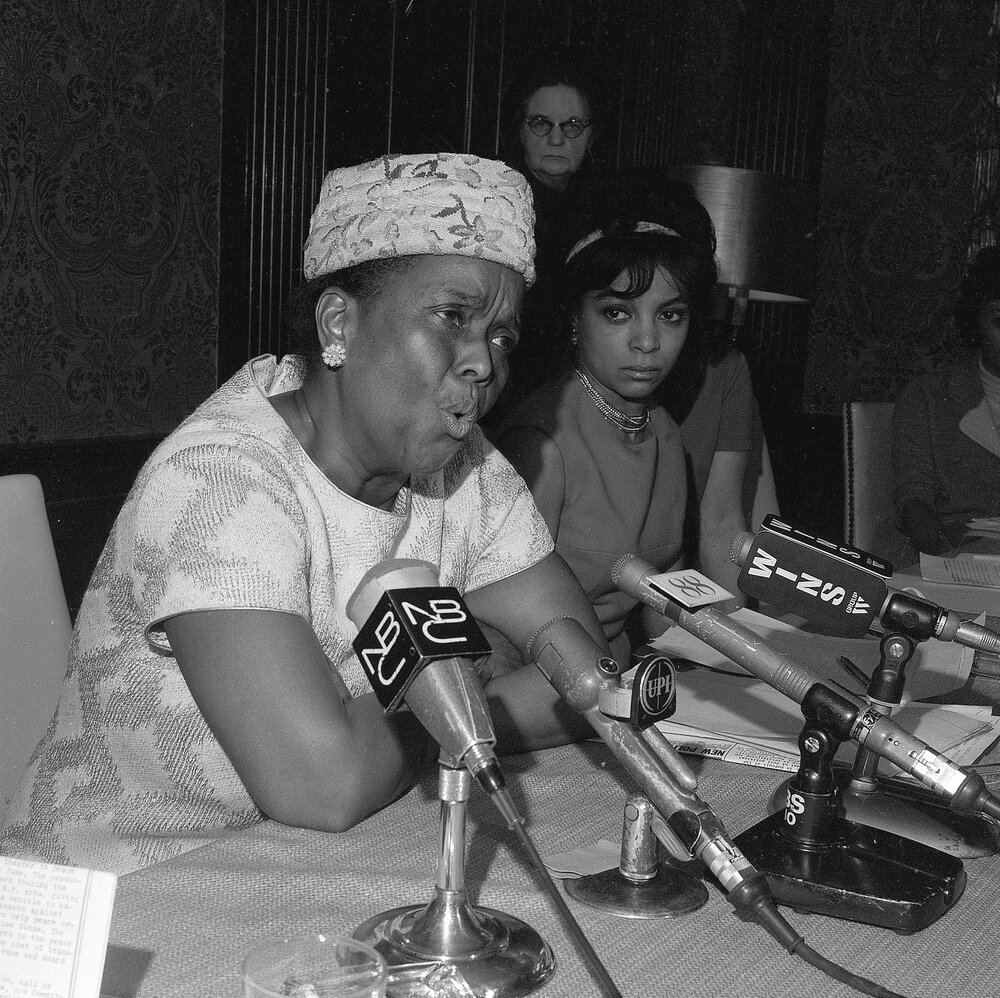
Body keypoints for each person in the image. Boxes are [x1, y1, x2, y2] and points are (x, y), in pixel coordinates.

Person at [0, 153, 609, 875]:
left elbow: (585, 673)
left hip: (285, 869)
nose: (484, 362)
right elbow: (324, 784)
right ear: (338, 324)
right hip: (118, 893)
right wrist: (460, 693)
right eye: (452, 317)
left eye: (503, 335)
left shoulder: (462, 465)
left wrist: (443, 700)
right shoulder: (219, 478)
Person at [493, 180, 718, 664]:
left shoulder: (664, 431)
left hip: (625, 674)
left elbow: (664, 605)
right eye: (617, 313)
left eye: (670, 315)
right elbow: (504, 632)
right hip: (541, 681)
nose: (647, 341)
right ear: (574, 316)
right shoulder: (540, 443)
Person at [487, 46, 606, 420]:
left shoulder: (604, 210)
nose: (557, 139)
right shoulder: (496, 205)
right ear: (519, 131)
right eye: (541, 123)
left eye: (572, 125)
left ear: (591, 135)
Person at [891, 245, 1000, 558]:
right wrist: (950, 564)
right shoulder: (927, 397)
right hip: (954, 555)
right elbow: (913, 502)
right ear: (975, 322)